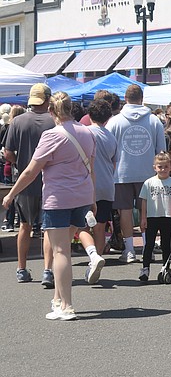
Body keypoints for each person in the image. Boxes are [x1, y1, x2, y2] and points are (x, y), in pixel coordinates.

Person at [2, 92, 97, 320]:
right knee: (63, 248)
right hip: (82, 196)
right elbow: (91, 169)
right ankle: (57, 300)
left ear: (51, 111)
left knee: (60, 251)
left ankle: (66, 305)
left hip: (58, 198)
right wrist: (92, 198)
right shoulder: (87, 132)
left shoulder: (51, 136)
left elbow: (30, 171)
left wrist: (11, 194)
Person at [107, 84, 167, 264]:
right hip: (149, 173)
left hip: (121, 172)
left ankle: (130, 250)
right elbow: (161, 150)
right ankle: (148, 248)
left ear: (125, 99)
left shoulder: (115, 121)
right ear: (142, 99)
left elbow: (109, 148)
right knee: (147, 212)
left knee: (124, 211)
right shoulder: (154, 121)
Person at [5, 83, 58, 285]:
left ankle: (21, 268)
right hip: (50, 181)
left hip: (24, 183)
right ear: (47, 99)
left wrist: (20, 161)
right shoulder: (54, 122)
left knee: (24, 227)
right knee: (48, 229)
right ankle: (47, 270)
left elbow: (8, 153)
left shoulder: (17, 121)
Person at [85, 98, 117, 281]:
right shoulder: (111, 136)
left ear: (89, 115)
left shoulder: (85, 133)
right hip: (106, 185)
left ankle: (92, 257)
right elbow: (114, 162)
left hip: (86, 185)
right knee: (100, 226)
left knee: (79, 226)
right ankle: (96, 260)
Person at [138, 152, 171, 283]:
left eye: (165, 167)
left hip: (168, 217)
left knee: (166, 244)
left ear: (170, 167)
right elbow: (144, 201)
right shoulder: (148, 183)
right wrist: (143, 218)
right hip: (152, 216)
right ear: (154, 167)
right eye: (160, 167)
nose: (162, 169)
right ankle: (145, 268)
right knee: (149, 244)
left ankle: (166, 267)